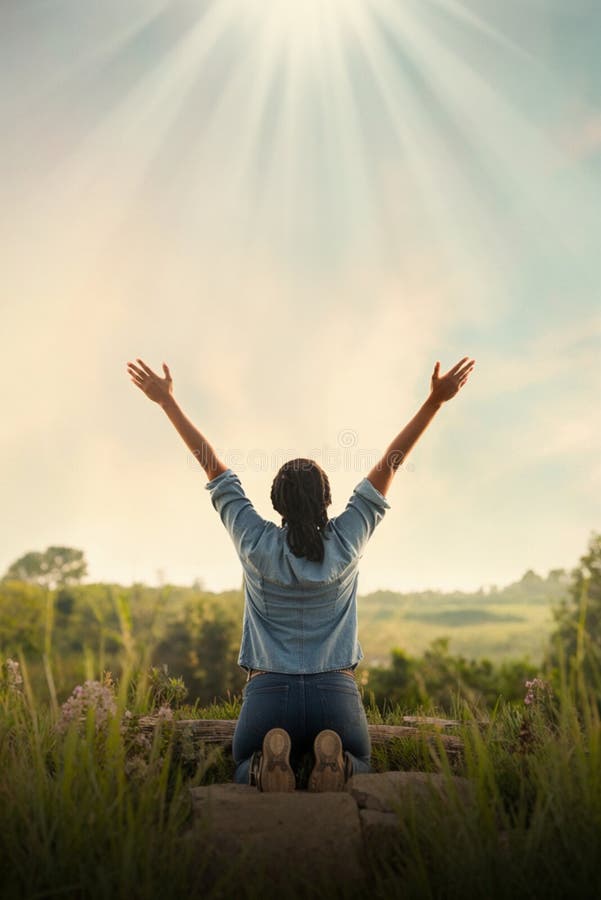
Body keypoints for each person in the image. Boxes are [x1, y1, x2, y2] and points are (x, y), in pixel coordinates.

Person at [126, 355, 476, 791]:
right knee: (363, 760)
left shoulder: (254, 541)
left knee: (241, 763)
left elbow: (213, 468)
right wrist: (434, 402)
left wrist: (167, 402)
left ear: (276, 502)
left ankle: (264, 767)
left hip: (269, 692)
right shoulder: (347, 539)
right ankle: (341, 766)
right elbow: (390, 464)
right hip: (335, 691)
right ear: (327, 498)